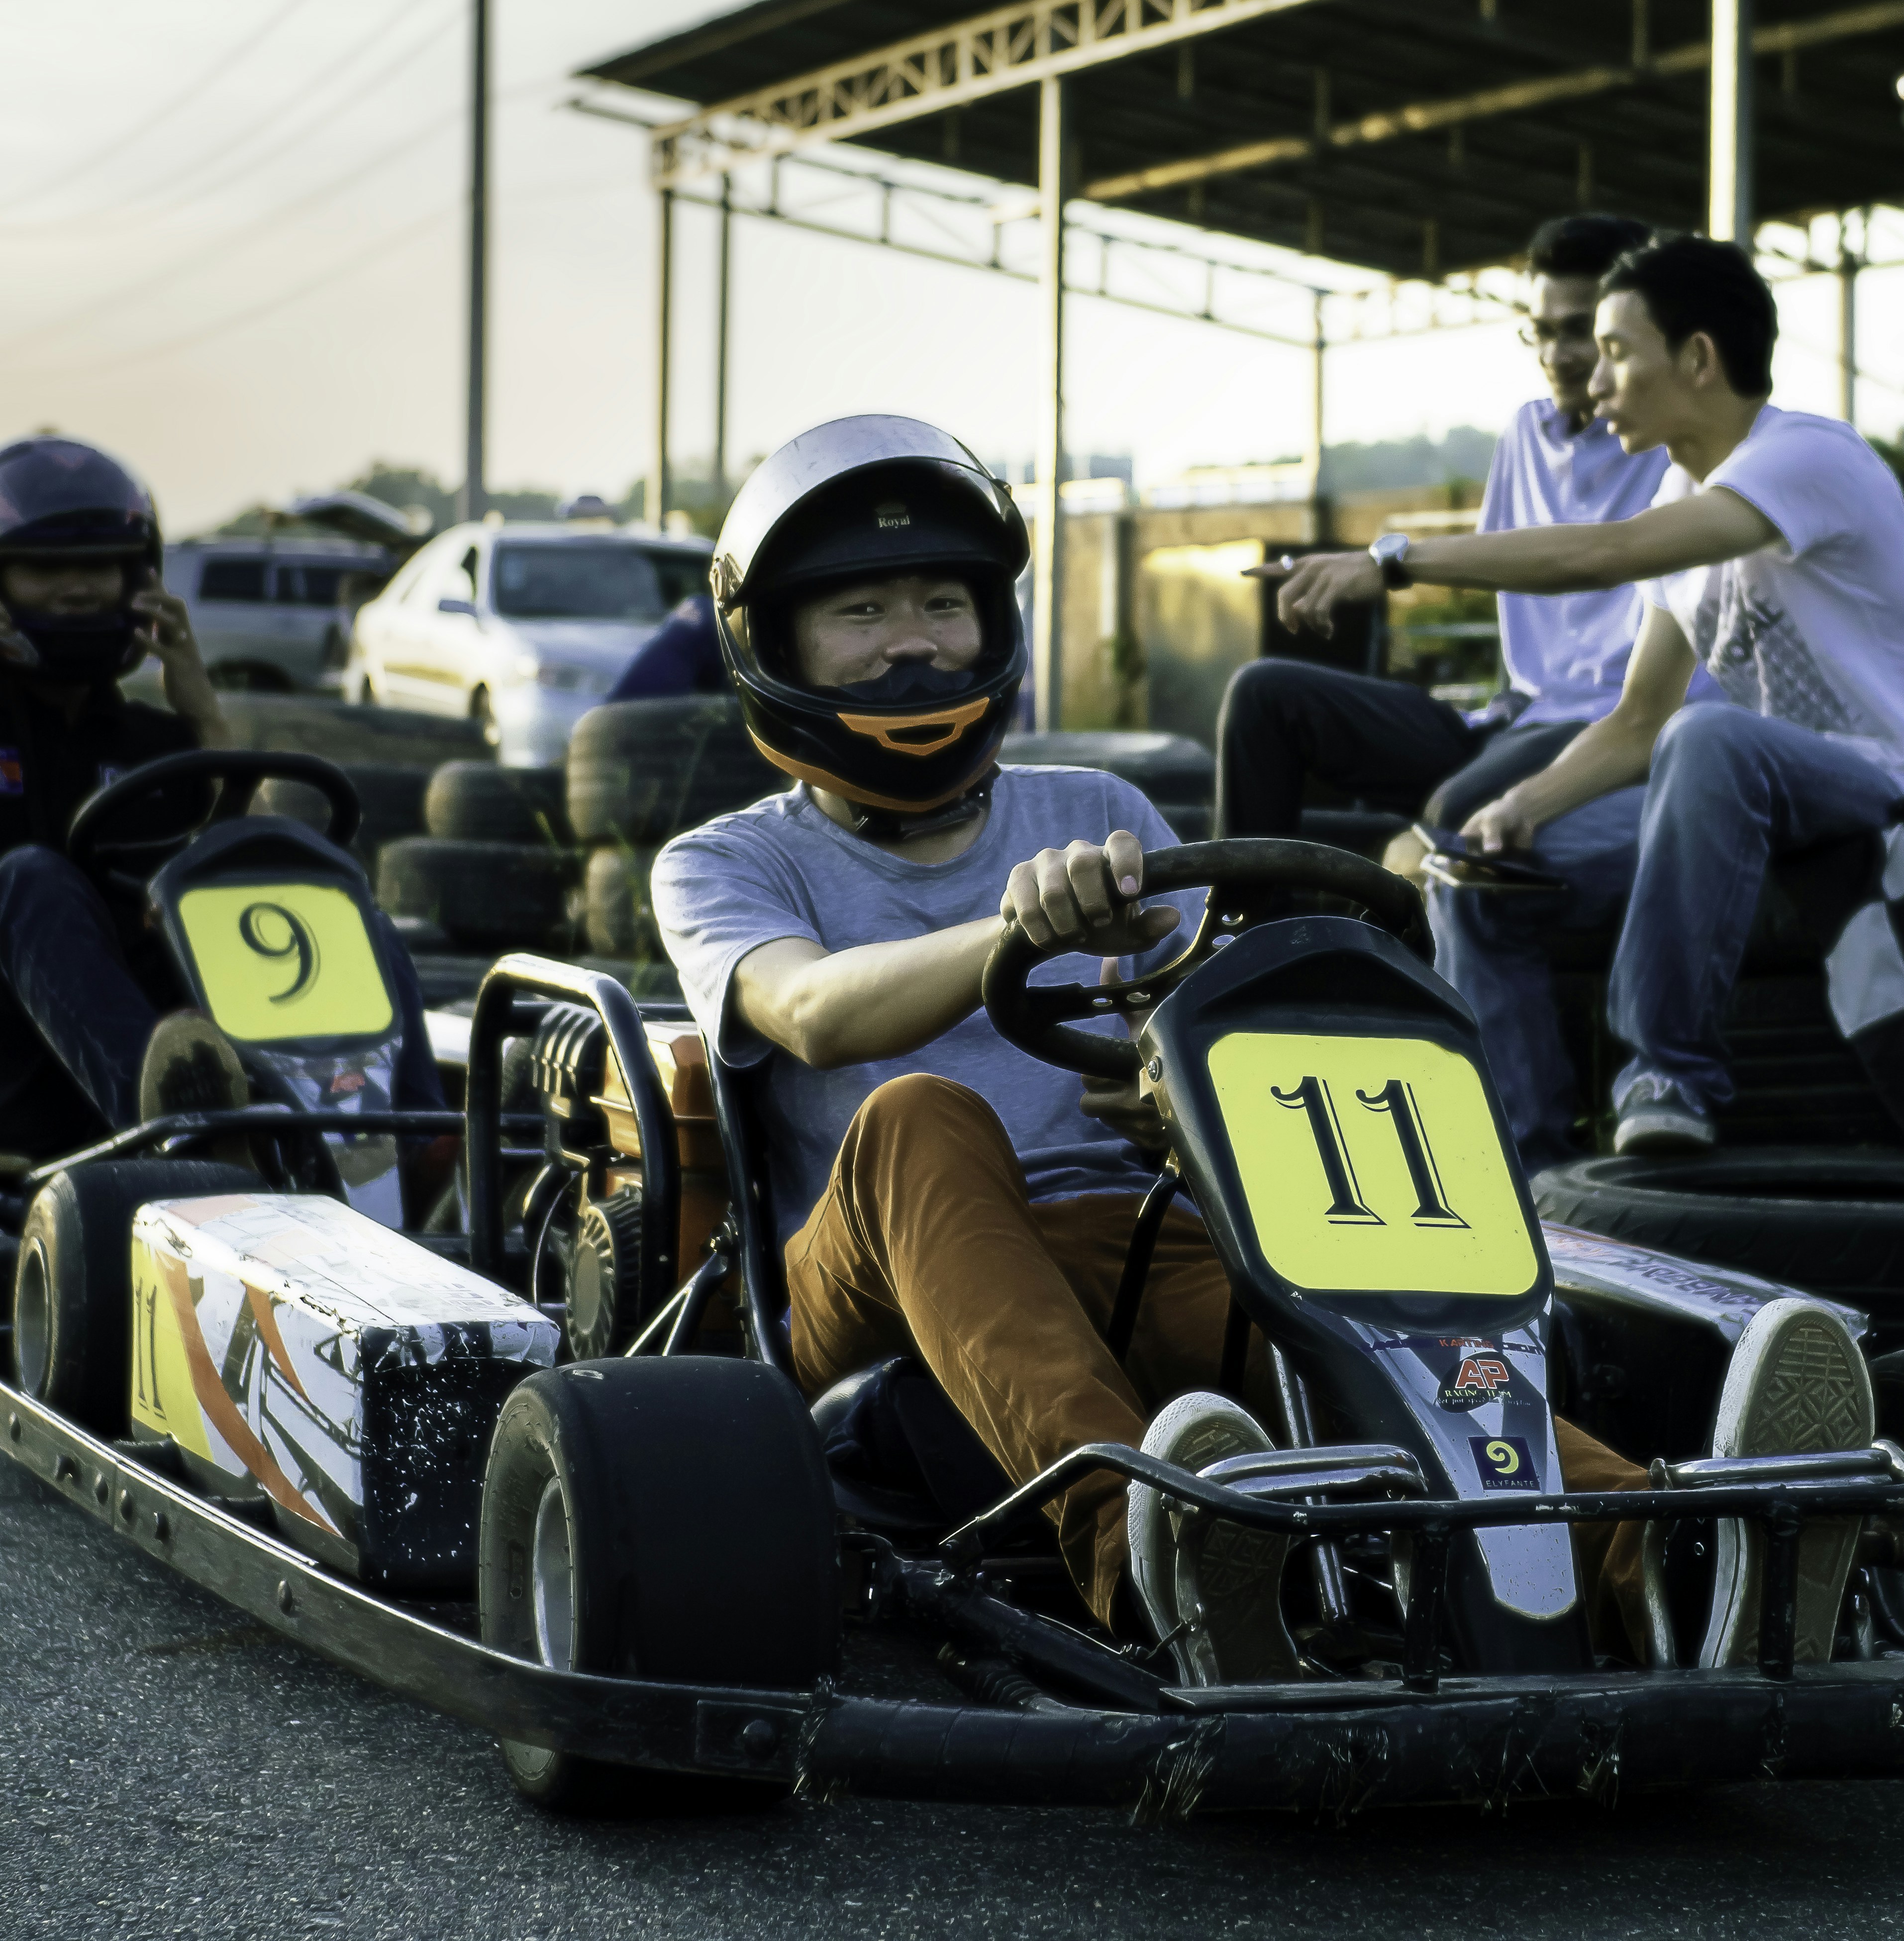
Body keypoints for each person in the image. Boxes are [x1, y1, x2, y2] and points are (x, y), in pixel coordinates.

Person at [652, 412, 1865, 1681]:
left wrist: (1168, 1089)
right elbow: (815, 1014)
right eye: (860, 612)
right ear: (775, 645)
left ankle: (1671, 1555)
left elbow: (1182, 1032)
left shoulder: (1097, 813)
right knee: (915, 1111)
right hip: (875, 1294)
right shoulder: (731, 860)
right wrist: (1006, 927)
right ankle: (1146, 1552)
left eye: (939, 602)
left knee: (1348, 1273)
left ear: (989, 625)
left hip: (1121, 1245)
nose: (911, 641)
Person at [1274, 233, 1904, 1169]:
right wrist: (1521, 806)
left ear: (1696, 358)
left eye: (1615, 351)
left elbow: (1596, 558)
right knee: (1476, 875)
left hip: (1869, 786)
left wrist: (1392, 562)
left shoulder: (1805, 455)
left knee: (1713, 736)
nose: (1593, 381)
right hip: (1740, 802)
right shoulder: (1677, 487)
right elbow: (1635, 722)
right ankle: (1526, 1164)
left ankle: (1666, 1075)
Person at [0, 436, 444, 1164]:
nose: (77, 588)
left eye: (100, 567)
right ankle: (183, 1139)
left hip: (190, 1037)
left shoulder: (159, 740)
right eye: (44, 571)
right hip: (33, 1063)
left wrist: (202, 711)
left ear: (138, 578)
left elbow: (259, 868)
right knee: (29, 877)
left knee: (333, 897)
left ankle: (405, 1145)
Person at [1215, 213, 1664, 839]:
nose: (1554, 356)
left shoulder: (1677, 446)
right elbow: (1498, 562)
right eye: (1539, 332)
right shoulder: (1523, 434)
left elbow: (1579, 557)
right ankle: (1251, 925)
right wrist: (1358, 566)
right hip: (1516, 719)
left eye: (1576, 332)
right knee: (1265, 697)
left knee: (1452, 813)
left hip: (1607, 725)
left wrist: (1387, 564)